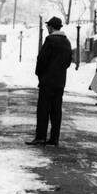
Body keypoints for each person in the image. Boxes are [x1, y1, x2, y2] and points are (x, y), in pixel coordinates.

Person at [29, 16, 73, 146]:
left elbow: (41, 59)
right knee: (56, 110)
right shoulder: (67, 42)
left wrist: (40, 75)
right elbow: (68, 61)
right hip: (60, 82)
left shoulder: (50, 40)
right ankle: (54, 139)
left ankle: (41, 137)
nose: (47, 28)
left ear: (51, 27)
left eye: (48, 26)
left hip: (47, 81)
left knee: (43, 109)